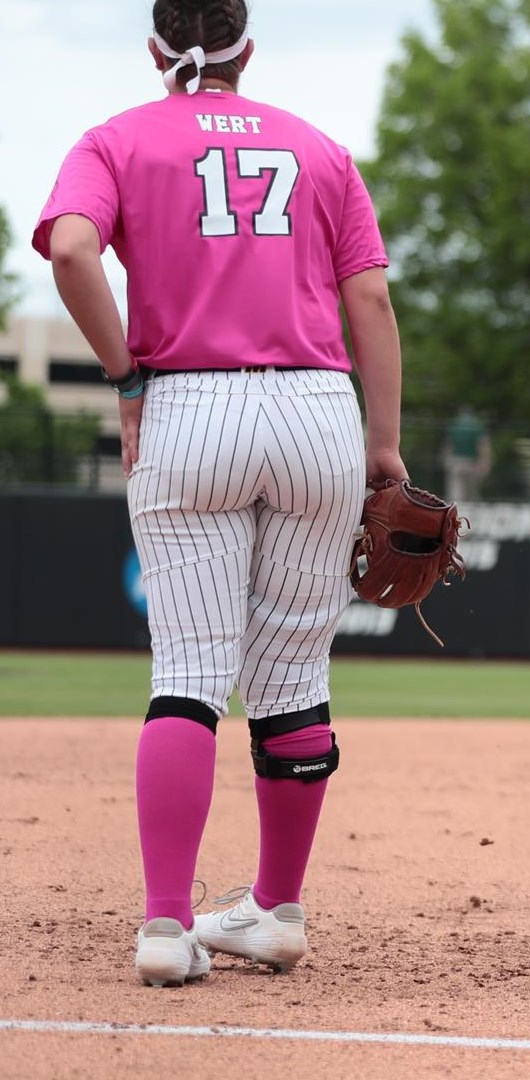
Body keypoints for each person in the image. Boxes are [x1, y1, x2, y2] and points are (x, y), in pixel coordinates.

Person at [35, 0, 408, 987]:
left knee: (190, 671)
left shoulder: (115, 140)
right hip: (318, 408)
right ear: (248, 47)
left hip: (187, 404)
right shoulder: (319, 150)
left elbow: (72, 249)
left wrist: (124, 376)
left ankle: (167, 928)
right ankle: (278, 912)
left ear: (159, 49)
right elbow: (369, 296)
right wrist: (383, 447)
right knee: (291, 678)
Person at [441, 405, 491, 505]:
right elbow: (482, 445)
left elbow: (448, 444)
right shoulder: (476, 425)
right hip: (472, 461)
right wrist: (484, 461)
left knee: (456, 490)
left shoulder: (455, 425)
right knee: (472, 490)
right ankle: (470, 513)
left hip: (456, 461)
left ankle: (456, 510)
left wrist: (446, 460)